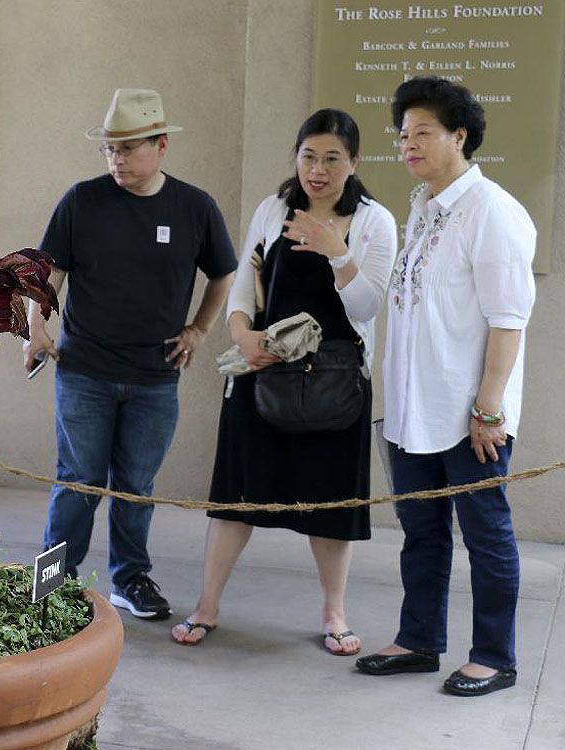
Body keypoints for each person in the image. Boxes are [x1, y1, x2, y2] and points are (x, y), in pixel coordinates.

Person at [171, 109, 397, 652]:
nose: (317, 170)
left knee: (331, 504)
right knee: (236, 496)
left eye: (331, 159)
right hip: (263, 370)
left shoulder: (375, 221)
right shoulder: (274, 209)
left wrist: (335, 250)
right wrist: (242, 333)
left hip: (336, 379)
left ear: (355, 162)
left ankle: (335, 614)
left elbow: (369, 303)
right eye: (308, 156)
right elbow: (245, 288)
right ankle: (207, 606)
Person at [24, 88, 236, 620]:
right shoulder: (82, 200)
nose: (117, 159)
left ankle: (130, 579)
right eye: (109, 149)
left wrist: (199, 330)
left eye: (129, 148)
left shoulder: (194, 207)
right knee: (77, 481)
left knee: (136, 488)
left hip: (154, 376)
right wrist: (36, 328)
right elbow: (48, 275)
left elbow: (224, 271)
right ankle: (52, 583)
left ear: (161, 146)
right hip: (84, 370)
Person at [356, 77, 536, 697]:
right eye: (403, 134)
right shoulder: (423, 207)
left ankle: (494, 655)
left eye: (423, 132)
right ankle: (419, 639)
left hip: (469, 416)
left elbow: (508, 321)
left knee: (486, 535)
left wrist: (488, 409)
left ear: (460, 136)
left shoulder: (492, 211)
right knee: (422, 533)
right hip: (414, 412)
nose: (408, 144)